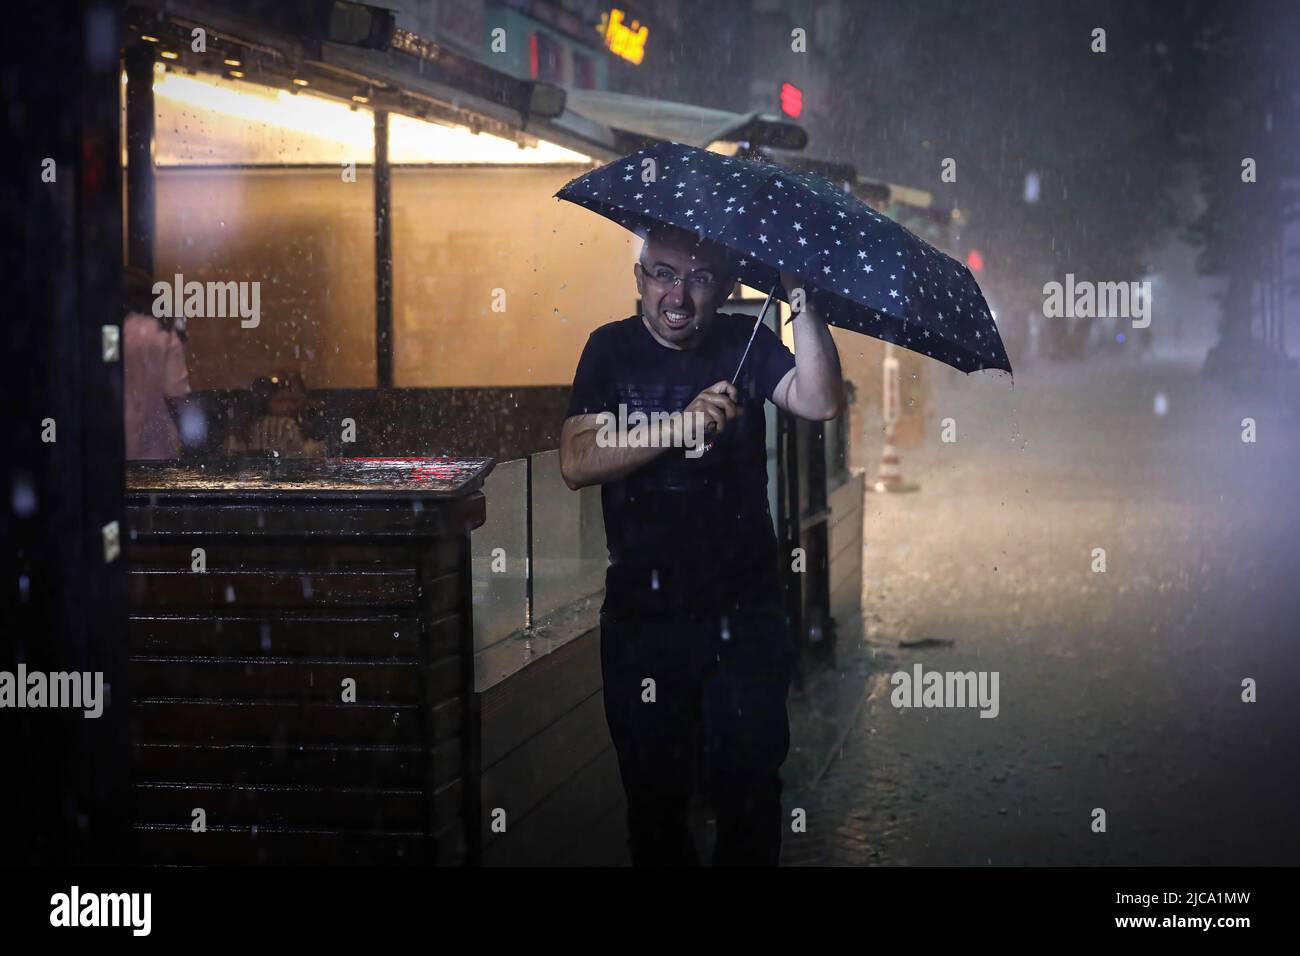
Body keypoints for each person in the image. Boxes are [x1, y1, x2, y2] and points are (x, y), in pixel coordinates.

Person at [559, 223, 844, 866]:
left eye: (699, 277)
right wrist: (680, 422)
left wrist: (802, 296)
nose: (678, 295)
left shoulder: (747, 341)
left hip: (744, 617)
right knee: (657, 807)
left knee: (748, 795)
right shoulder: (609, 351)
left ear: (724, 286)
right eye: (663, 273)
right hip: (642, 622)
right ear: (639, 279)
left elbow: (820, 399)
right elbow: (576, 461)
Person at [123, 266, 191, 459]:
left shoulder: (108, 332)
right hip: (155, 444)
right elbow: (176, 390)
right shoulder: (164, 332)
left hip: (112, 441)